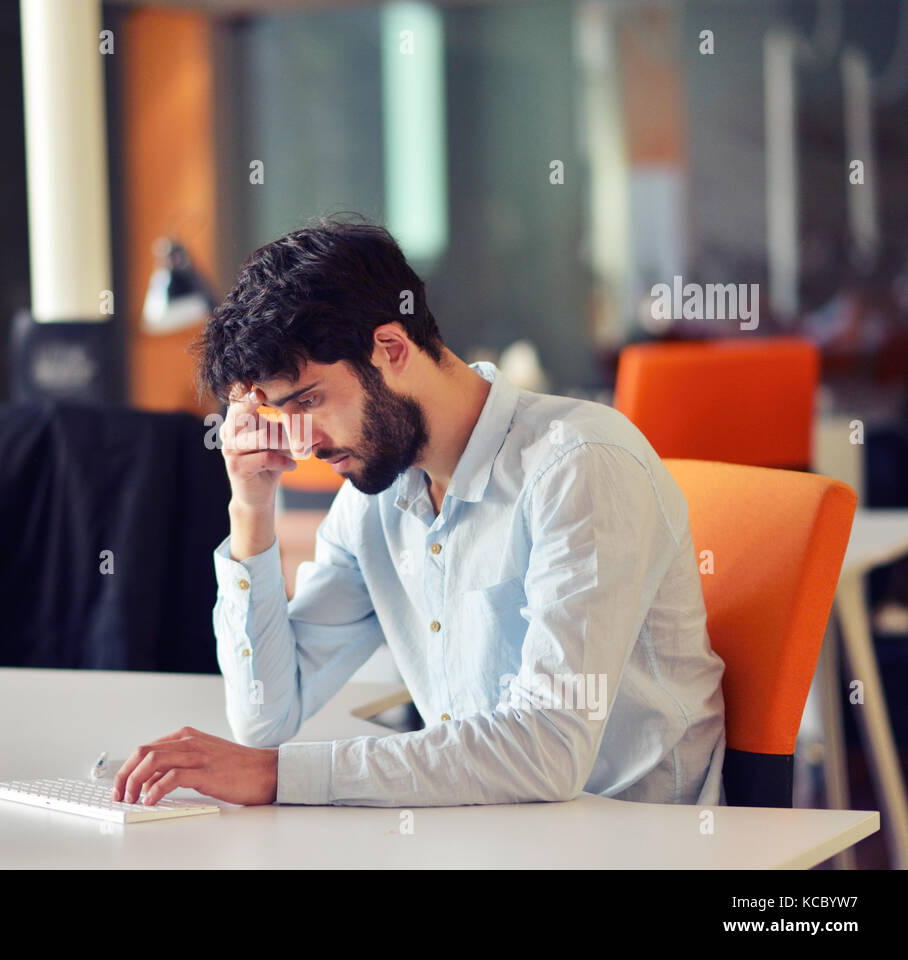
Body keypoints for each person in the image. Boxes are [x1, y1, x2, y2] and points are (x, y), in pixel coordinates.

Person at [111, 216, 726, 808]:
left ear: (391, 346)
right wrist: (249, 505)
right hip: (487, 834)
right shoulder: (375, 500)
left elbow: (550, 746)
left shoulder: (577, 466)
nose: (300, 446)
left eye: (310, 401)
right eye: (280, 413)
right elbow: (265, 717)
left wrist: (278, 777)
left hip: (633, 842)